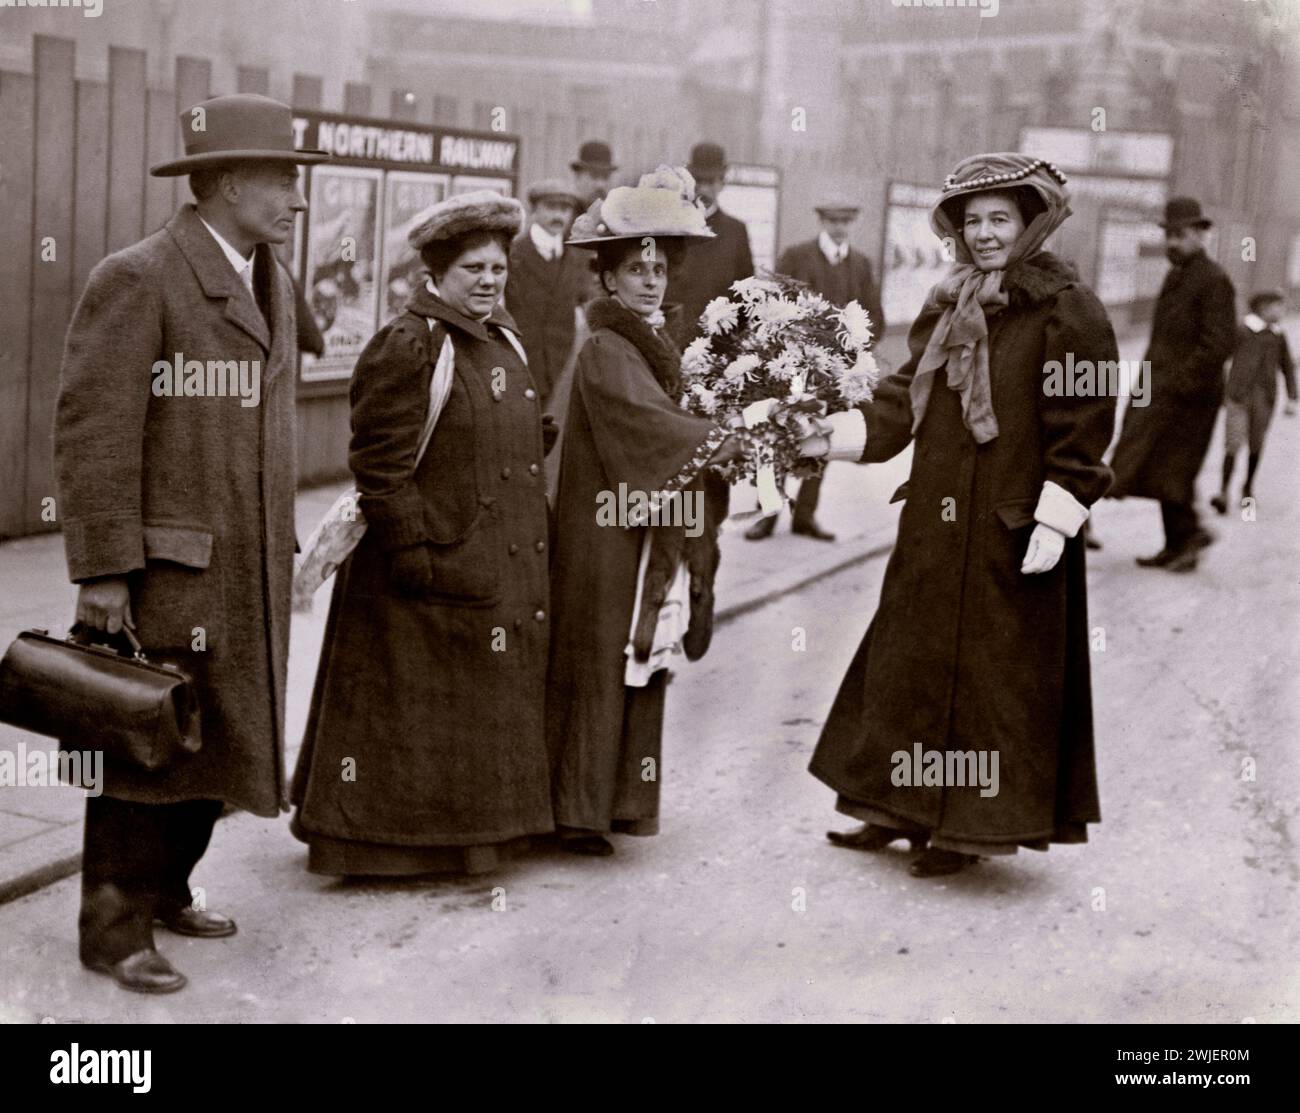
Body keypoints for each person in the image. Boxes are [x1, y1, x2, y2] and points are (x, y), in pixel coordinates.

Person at [53, 93, 325, 993]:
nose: (296, 196)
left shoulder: (268, 276)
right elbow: (94, 431)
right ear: (227, 182)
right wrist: (102, 569)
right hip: (170, 572)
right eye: (283, 178)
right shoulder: (139, 276)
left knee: (218, 744)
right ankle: (112, 931)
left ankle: (168, 891)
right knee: (146, 751)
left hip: (244, 564)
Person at [804, 153, 1118, 878]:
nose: (983, 234)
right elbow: (903, 395)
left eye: (998, 220)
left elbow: (1089, 419)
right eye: (971, 221)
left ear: (1032, 222)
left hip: (1011, 532)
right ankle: (891, 806)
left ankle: (965, 828)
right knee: (907, 668)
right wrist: (836, 434)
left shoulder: (1070, 307)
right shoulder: (950, 303)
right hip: (937, 531)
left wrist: (1058, 513)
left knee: (988, 684)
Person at [290, 192, 555, 877]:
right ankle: (381, 845)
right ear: (436, 273)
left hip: (485, 562)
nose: (491, 280)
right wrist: (412, 553)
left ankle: (470, 838)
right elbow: (379, 460)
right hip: (421, 570)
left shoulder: (503, 335)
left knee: (466, 710)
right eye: (474, 268)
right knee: (405, 708)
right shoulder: (411, 343)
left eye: (498, 266)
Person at [547, 167, 745, 856]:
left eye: (660, 267)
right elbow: (646, 425)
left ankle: (617, 801)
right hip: (606, 530)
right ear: (607, 279)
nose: (650, 280)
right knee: (603, 655)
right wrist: (723, 440)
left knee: (635, 655)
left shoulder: (653, 342)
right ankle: (577, 807)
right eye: (634, 268)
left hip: (637, 521)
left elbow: (667, 418)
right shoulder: (608, 346)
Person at [1108, 197, 1237, 573]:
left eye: (1180, 235)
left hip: (1191, 397)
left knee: (1176, 469)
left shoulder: (1214, 280)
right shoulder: (1178, 275)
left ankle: (1190, 538)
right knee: (1162, 466)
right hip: (1163, 389)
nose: (1172, 243)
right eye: (1168, 235)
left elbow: (1218, 344)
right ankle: (1177, 543)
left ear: (1200, 235)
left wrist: (1181, 383)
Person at [747, 198, 886, 542]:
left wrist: (854, 357)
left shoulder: (860, 265)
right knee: (776, 436)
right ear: (822, 221)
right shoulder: (797, 256)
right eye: (832, 220)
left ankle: (804, 517)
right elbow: (773, 305)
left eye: (845, 220)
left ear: (851, 222)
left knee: (822, 438)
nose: (839, 226)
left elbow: (875, 318)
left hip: (834, 373)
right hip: (790, 366)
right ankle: (766, 514)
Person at [1210, 290, 1296, 514]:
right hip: (1238, 396)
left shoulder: (1278, 336)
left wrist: (1292, 398)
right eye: (1277, 306)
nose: (1281, 311)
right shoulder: (1242, 331)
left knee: (1257, 444)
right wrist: (1219, 389)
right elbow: (1220, 358)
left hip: (1265, 399)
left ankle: (1248, 488)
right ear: (1263, 308)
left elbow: (1287, 368)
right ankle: (1223, 491)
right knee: (1233, 442)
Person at [663, 142, 754, 349]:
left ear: (722, 183)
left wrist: (736, 343)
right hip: (670, 343)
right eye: (698, 181)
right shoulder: (667, 225)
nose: (704, 188)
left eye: (711, 181)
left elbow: (745, 292)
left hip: (717, 345)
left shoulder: (736, 231)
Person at [506, 179, 588, 406]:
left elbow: (581, 305)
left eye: (565, 209)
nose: (559, 216)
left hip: (561, 371)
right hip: (520, 369)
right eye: (551, 207)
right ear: (534, 210)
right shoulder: (512, 255)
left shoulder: (576, 257)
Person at [570, 139, 617, 207]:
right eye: (594, 176)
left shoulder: (615, 215)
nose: (600, 185)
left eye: (606, 177)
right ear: (578, 176)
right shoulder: (565, 212)